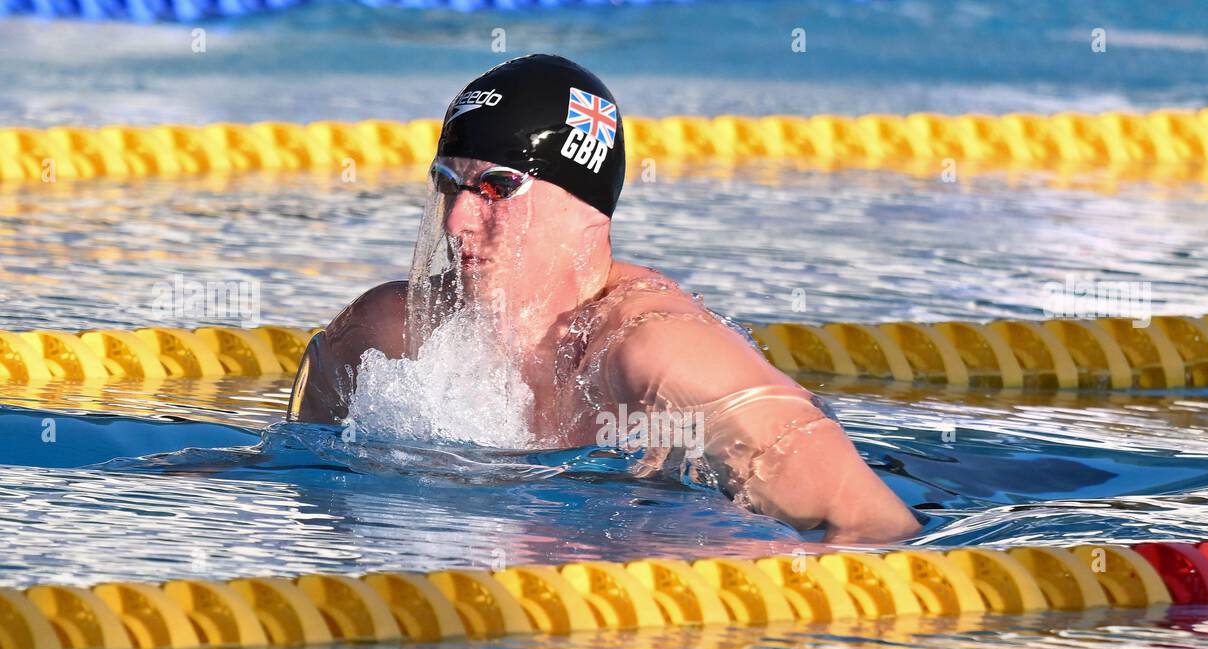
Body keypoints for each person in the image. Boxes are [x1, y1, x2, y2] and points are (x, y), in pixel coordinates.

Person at [288, 53, 919, 543]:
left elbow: (874, 528)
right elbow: (297, 468)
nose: (456, 222)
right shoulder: (393, 330)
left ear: (583, 200)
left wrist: (695, 575)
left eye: (496, 188)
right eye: (449, 186)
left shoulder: (660, 356)